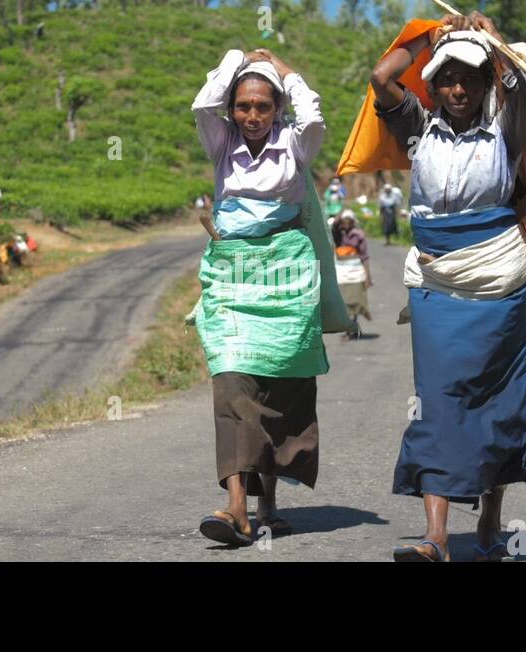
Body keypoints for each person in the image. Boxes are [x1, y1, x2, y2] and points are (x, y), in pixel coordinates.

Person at [370, 11, 526, 562]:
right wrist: (428, 36)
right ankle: (437, 537)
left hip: (499, 280)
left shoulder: (505, 130)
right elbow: (382, 77)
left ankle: (490, 518)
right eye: (447, 76)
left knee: (495, 402)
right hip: (436, 282)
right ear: (434, 83)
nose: (458, 87)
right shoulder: (418, 128)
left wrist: (492, 42)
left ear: (488, 80)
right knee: (438, 401)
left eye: (470, 77)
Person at [191, 46, 328, 546]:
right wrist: (235, 60)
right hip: (231, 273)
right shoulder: (220, 140)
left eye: (262, 106)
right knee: (230, 378)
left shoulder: (296, 144)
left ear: (276, 110)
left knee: (278, 382)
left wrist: (286, 71)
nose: (251, 116)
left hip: (285, 274)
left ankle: (268, 501)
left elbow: (313, 113)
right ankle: (235, 509)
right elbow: (204, 105)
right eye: (243, 106)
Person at [331, 208, 373, 335]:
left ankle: (353, 323)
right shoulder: (339, 235)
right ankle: (349, 325)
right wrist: (339, 216)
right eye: (344, 221)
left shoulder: (358, 235)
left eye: (349, 221)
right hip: (342, 269)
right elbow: (333, 228)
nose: (346, 224)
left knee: (355, 298)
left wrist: (367, 275)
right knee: (343, 298)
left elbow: (364, 256)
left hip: (355, 269)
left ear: (353, 222)